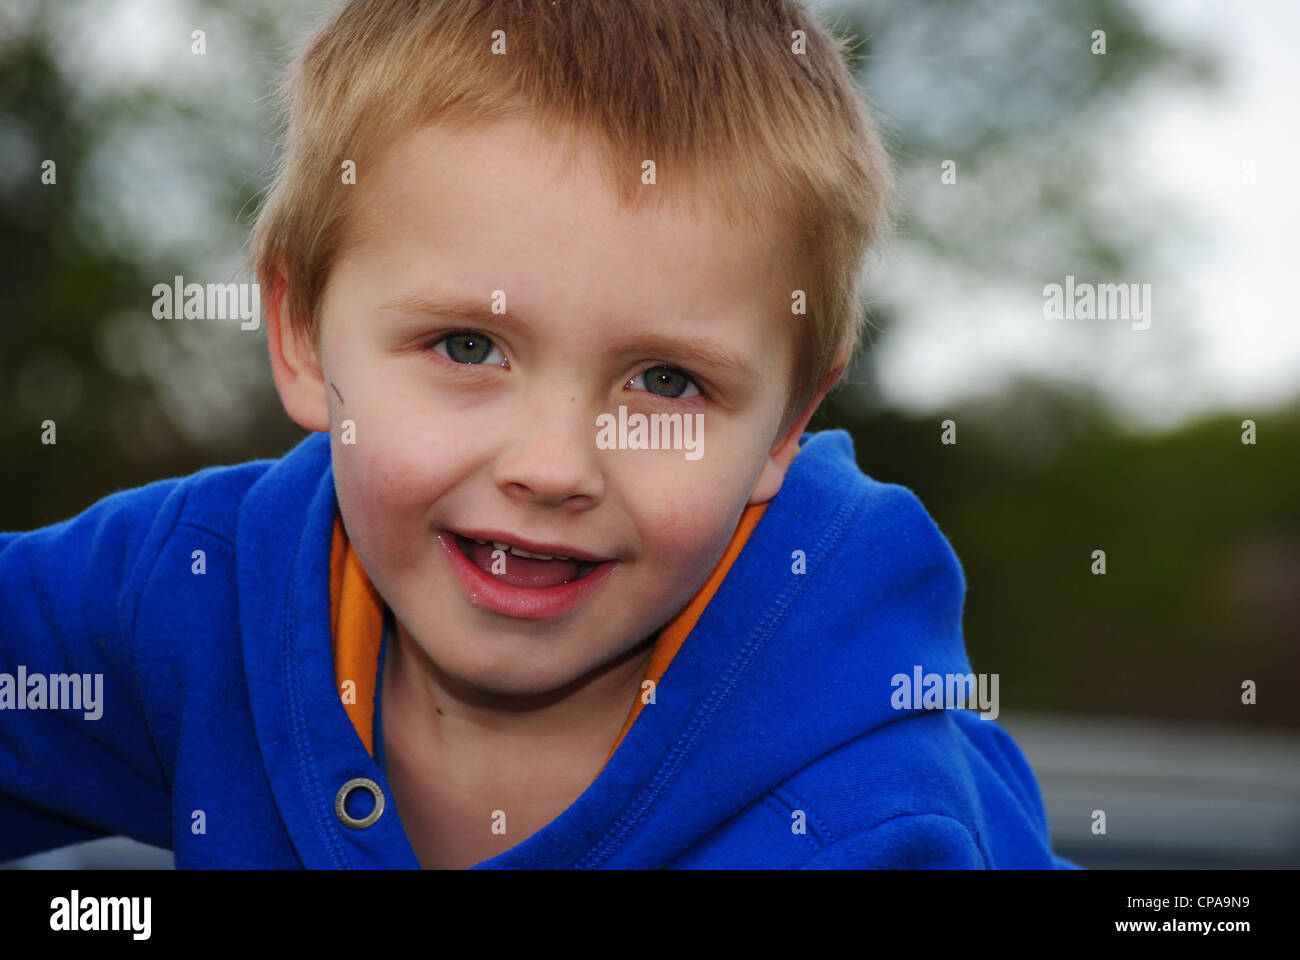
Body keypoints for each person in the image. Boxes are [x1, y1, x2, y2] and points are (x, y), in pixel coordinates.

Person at [0, 0, 1078, 869]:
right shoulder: (194, 597)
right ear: (297, 334)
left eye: (665, 381)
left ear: (784, 429)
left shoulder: (868, 818)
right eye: (467, 348)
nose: (553, 466)